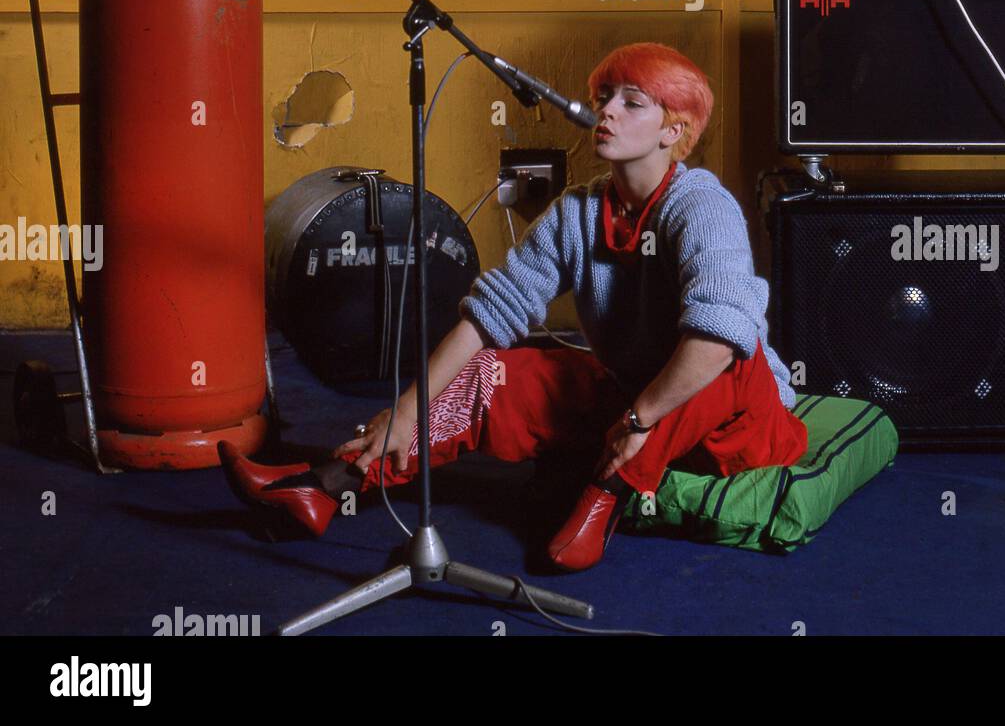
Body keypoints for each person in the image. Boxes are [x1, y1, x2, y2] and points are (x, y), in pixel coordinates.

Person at [220, 42, 807, 570]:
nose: (605, 112)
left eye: (632, 103)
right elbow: (490, 313)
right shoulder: (579, 212)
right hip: (631, 392)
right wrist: (406, 408)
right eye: (604, 97)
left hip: (737, 424)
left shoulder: (703, 205)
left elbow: (718, 336)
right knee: (494, 370)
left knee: (721, 350)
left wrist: (636, 420)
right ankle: (325, 485)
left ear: (672, 131)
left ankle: (605, 498)